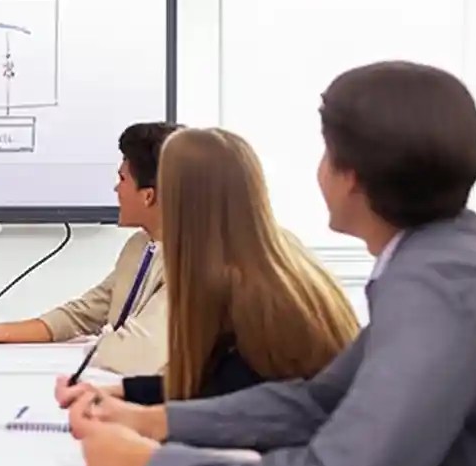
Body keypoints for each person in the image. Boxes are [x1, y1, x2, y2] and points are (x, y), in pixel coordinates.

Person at [66, 61, 476, 466]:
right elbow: (318, 402)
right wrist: (155, 420)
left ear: (349, 175)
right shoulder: (456, 258)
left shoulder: (437, 289)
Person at [58, 127, 359, 408]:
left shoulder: (243, 283)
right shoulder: (262, 253)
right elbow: (220, 384)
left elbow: (252, 408)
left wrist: (146, 425)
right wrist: (122, 394)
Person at [0, 122, 181, 375]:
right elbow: (83, 314)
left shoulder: (189, 262)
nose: (116, 189)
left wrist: (100, 344)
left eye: (122, 179)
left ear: (148, 196)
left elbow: (133, 355)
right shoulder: (138, 246)